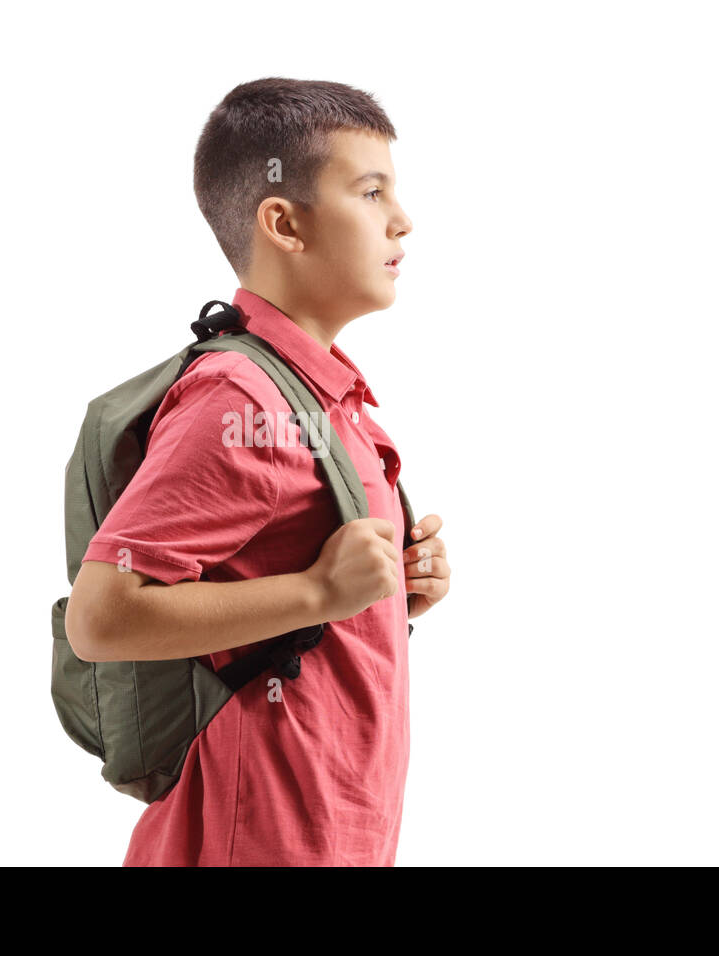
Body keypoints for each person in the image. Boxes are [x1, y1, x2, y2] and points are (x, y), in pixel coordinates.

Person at [64, 77, 451, 866]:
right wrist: (318, 593)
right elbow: (100, 618)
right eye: (371, 191)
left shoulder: (327, 399)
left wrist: (390, 587)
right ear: (284, 222)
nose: (402, 220)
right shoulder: (240, 397)